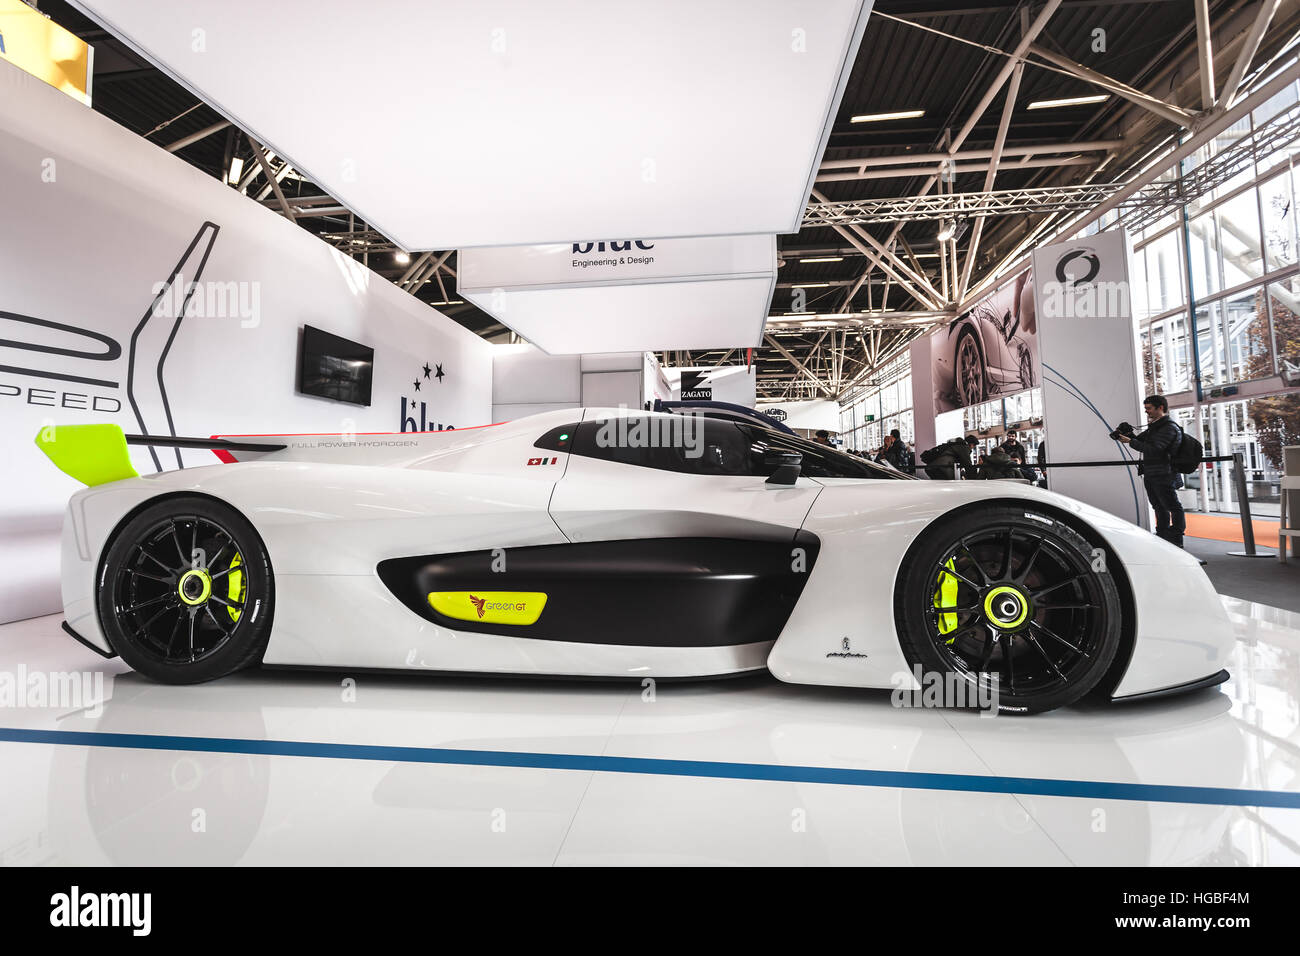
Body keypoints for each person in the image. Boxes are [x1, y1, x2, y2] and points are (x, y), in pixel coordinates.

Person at [1118, 394, 1186, 548]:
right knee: (1158, 506)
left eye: (1149, 408)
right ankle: (1162, 534)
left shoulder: (1168, 427)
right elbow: (1142, 442)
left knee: (1172, 506)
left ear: (1160, 408)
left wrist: (1131, 441)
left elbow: (1155, 449)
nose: (1146, 412)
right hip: (1152, 472)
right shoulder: (1155, 427)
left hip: (1164, 473)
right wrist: (1129, 435)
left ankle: (1176, 537)